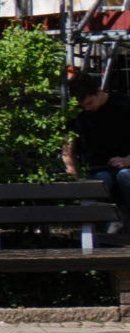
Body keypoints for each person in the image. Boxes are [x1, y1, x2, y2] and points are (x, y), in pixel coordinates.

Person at [66, 70, 130, 226]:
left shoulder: (124, 105)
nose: (88, 108)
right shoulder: (79, 114)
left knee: (125, 176)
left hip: (126, 165)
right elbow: (68, 149)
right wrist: (73, 174)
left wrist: (128, 160)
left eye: (90, 103)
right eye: (83, 105)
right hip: (97, 168)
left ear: (99, 92)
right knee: (101, 181)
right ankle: (102, 230)